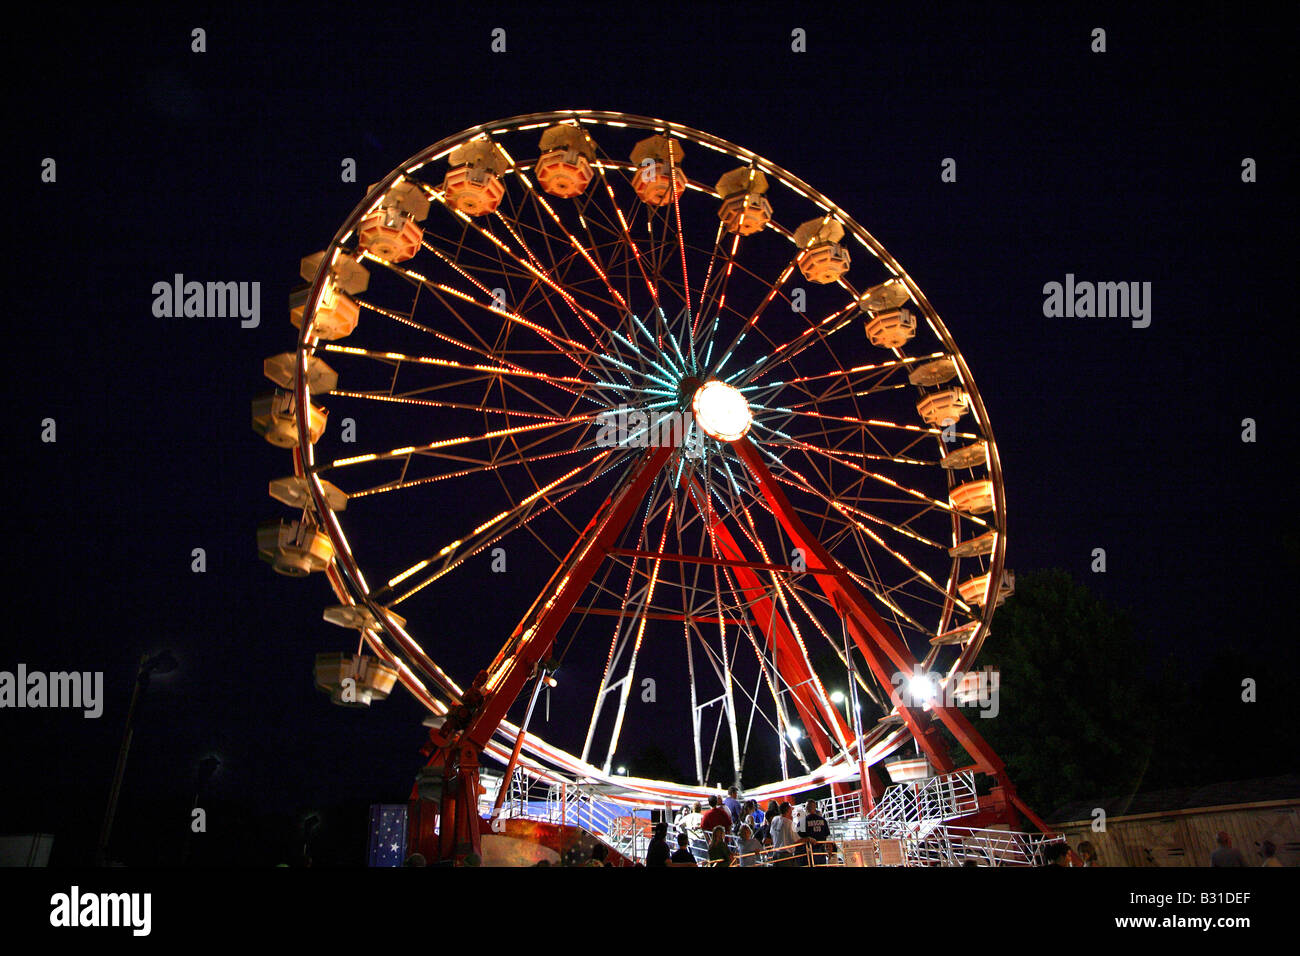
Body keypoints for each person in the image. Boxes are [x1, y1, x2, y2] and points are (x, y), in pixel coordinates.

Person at [800, 799, 832, 866]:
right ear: (815, 808)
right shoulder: (823, 820)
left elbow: (799, 837)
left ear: (806, 809)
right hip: (821, 850)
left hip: (809, 851)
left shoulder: (803, 822)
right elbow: (826, 834)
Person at [769, 802, 802, 866]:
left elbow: (771, 833)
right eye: (791, 810)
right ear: (788, 810)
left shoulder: (775, 819)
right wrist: (808, 839)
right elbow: (797, 840)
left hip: (775, 853)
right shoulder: (789, 823)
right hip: (785, 855)